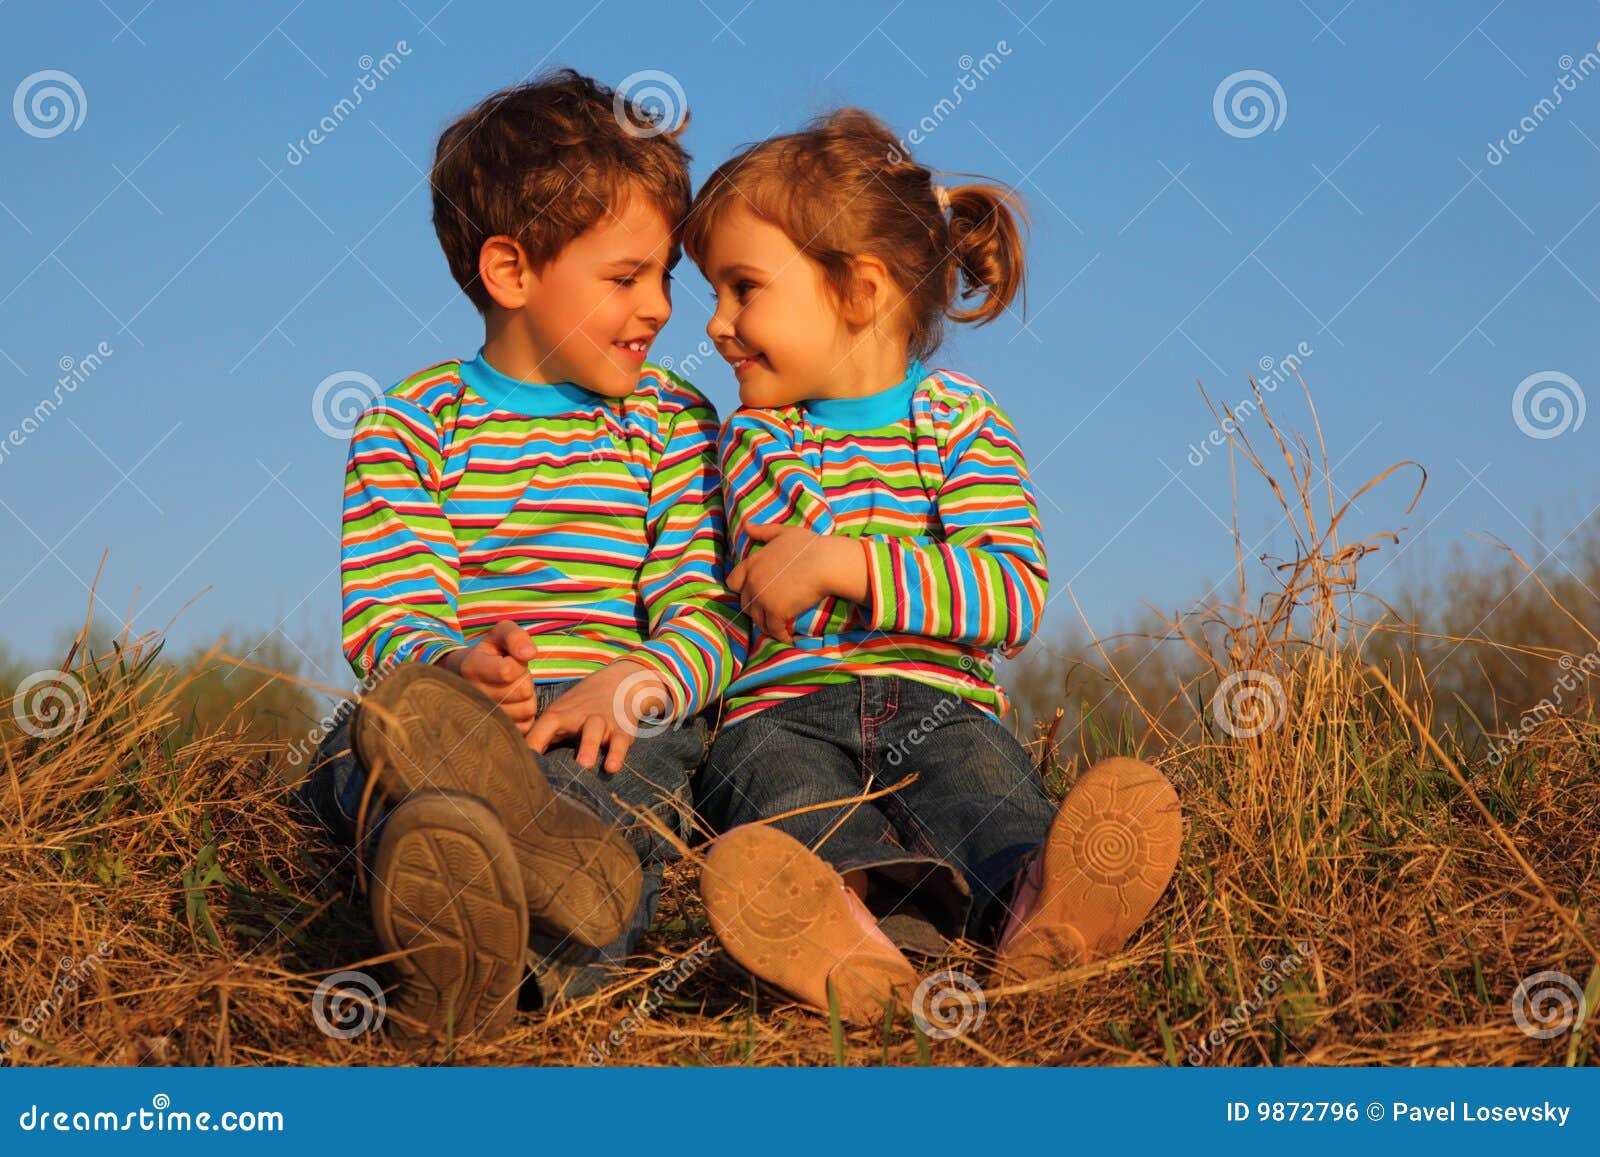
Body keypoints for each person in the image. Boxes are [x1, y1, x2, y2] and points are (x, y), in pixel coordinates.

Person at [683, 108, 1182, 1023]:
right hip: (784, 712)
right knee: (788, 800)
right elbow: (766, 569)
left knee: (987, 801)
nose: (715, 324)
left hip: (940, 706)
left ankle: (1040, 907)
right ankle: (855, 940)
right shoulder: (752, 438)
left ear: (859, 291)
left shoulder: (962, 421)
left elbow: (1010, 592)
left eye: (742, 288)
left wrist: (843, 563)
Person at [293, 69, 743, 1044]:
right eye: (626, 277)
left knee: (614, 792)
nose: (661, 305)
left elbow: (708, 607)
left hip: (609, 715)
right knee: (355, 752)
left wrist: (643, 677)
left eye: (666, 274)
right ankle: (459, 894)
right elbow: (391, 611)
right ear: (511, 271)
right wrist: (452, 672)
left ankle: (519, 974)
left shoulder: (669, 422)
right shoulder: (411, 425)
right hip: (457, 721)